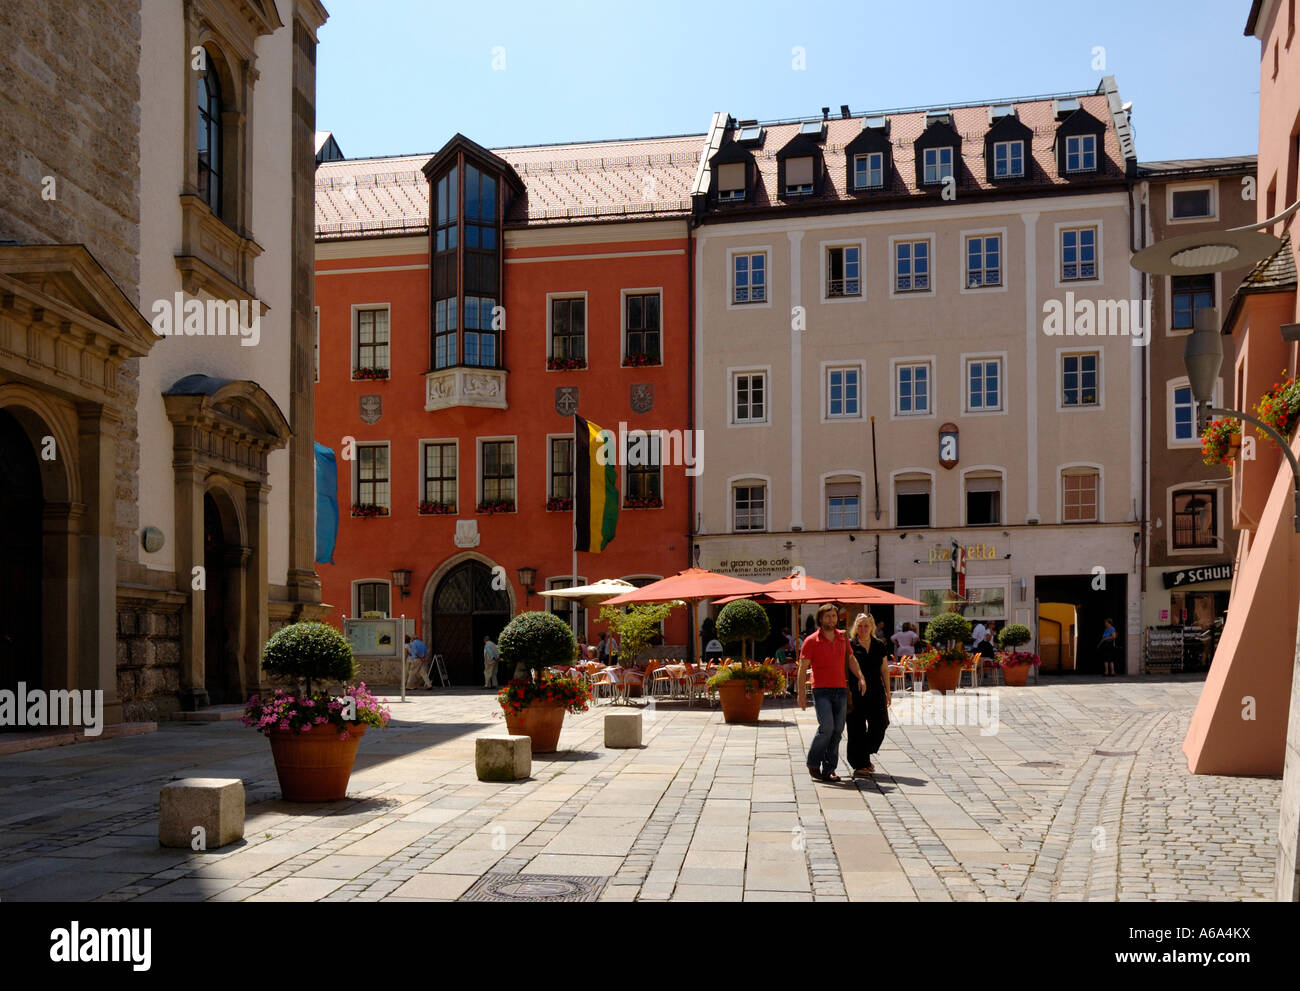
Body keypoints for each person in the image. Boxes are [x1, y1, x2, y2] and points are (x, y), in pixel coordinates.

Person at [798, 603, 867, 783]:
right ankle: (813, 762)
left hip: (841, 689)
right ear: (821, 619)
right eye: (828, 616)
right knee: (827, 727)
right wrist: (801, 694)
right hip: (821, 690)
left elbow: (851, 659)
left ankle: (829, 770)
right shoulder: (811, 641)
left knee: (837, 731)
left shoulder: (842, 638)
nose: (832, 619)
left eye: (834, 616)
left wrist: (860, 677)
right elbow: (802, 668)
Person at [846, 614, 892, 777]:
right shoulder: (850, 645)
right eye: (860, 626)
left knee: (881, 724)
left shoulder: (879, 645)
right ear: (855, 627)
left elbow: (885, 670)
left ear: (872, 627)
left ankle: (861, 754)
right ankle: (860, 764)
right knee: (856, 727)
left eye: (866, 626)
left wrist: (888, 691)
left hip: (876, 691)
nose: (863, 629)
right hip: (855, 691)